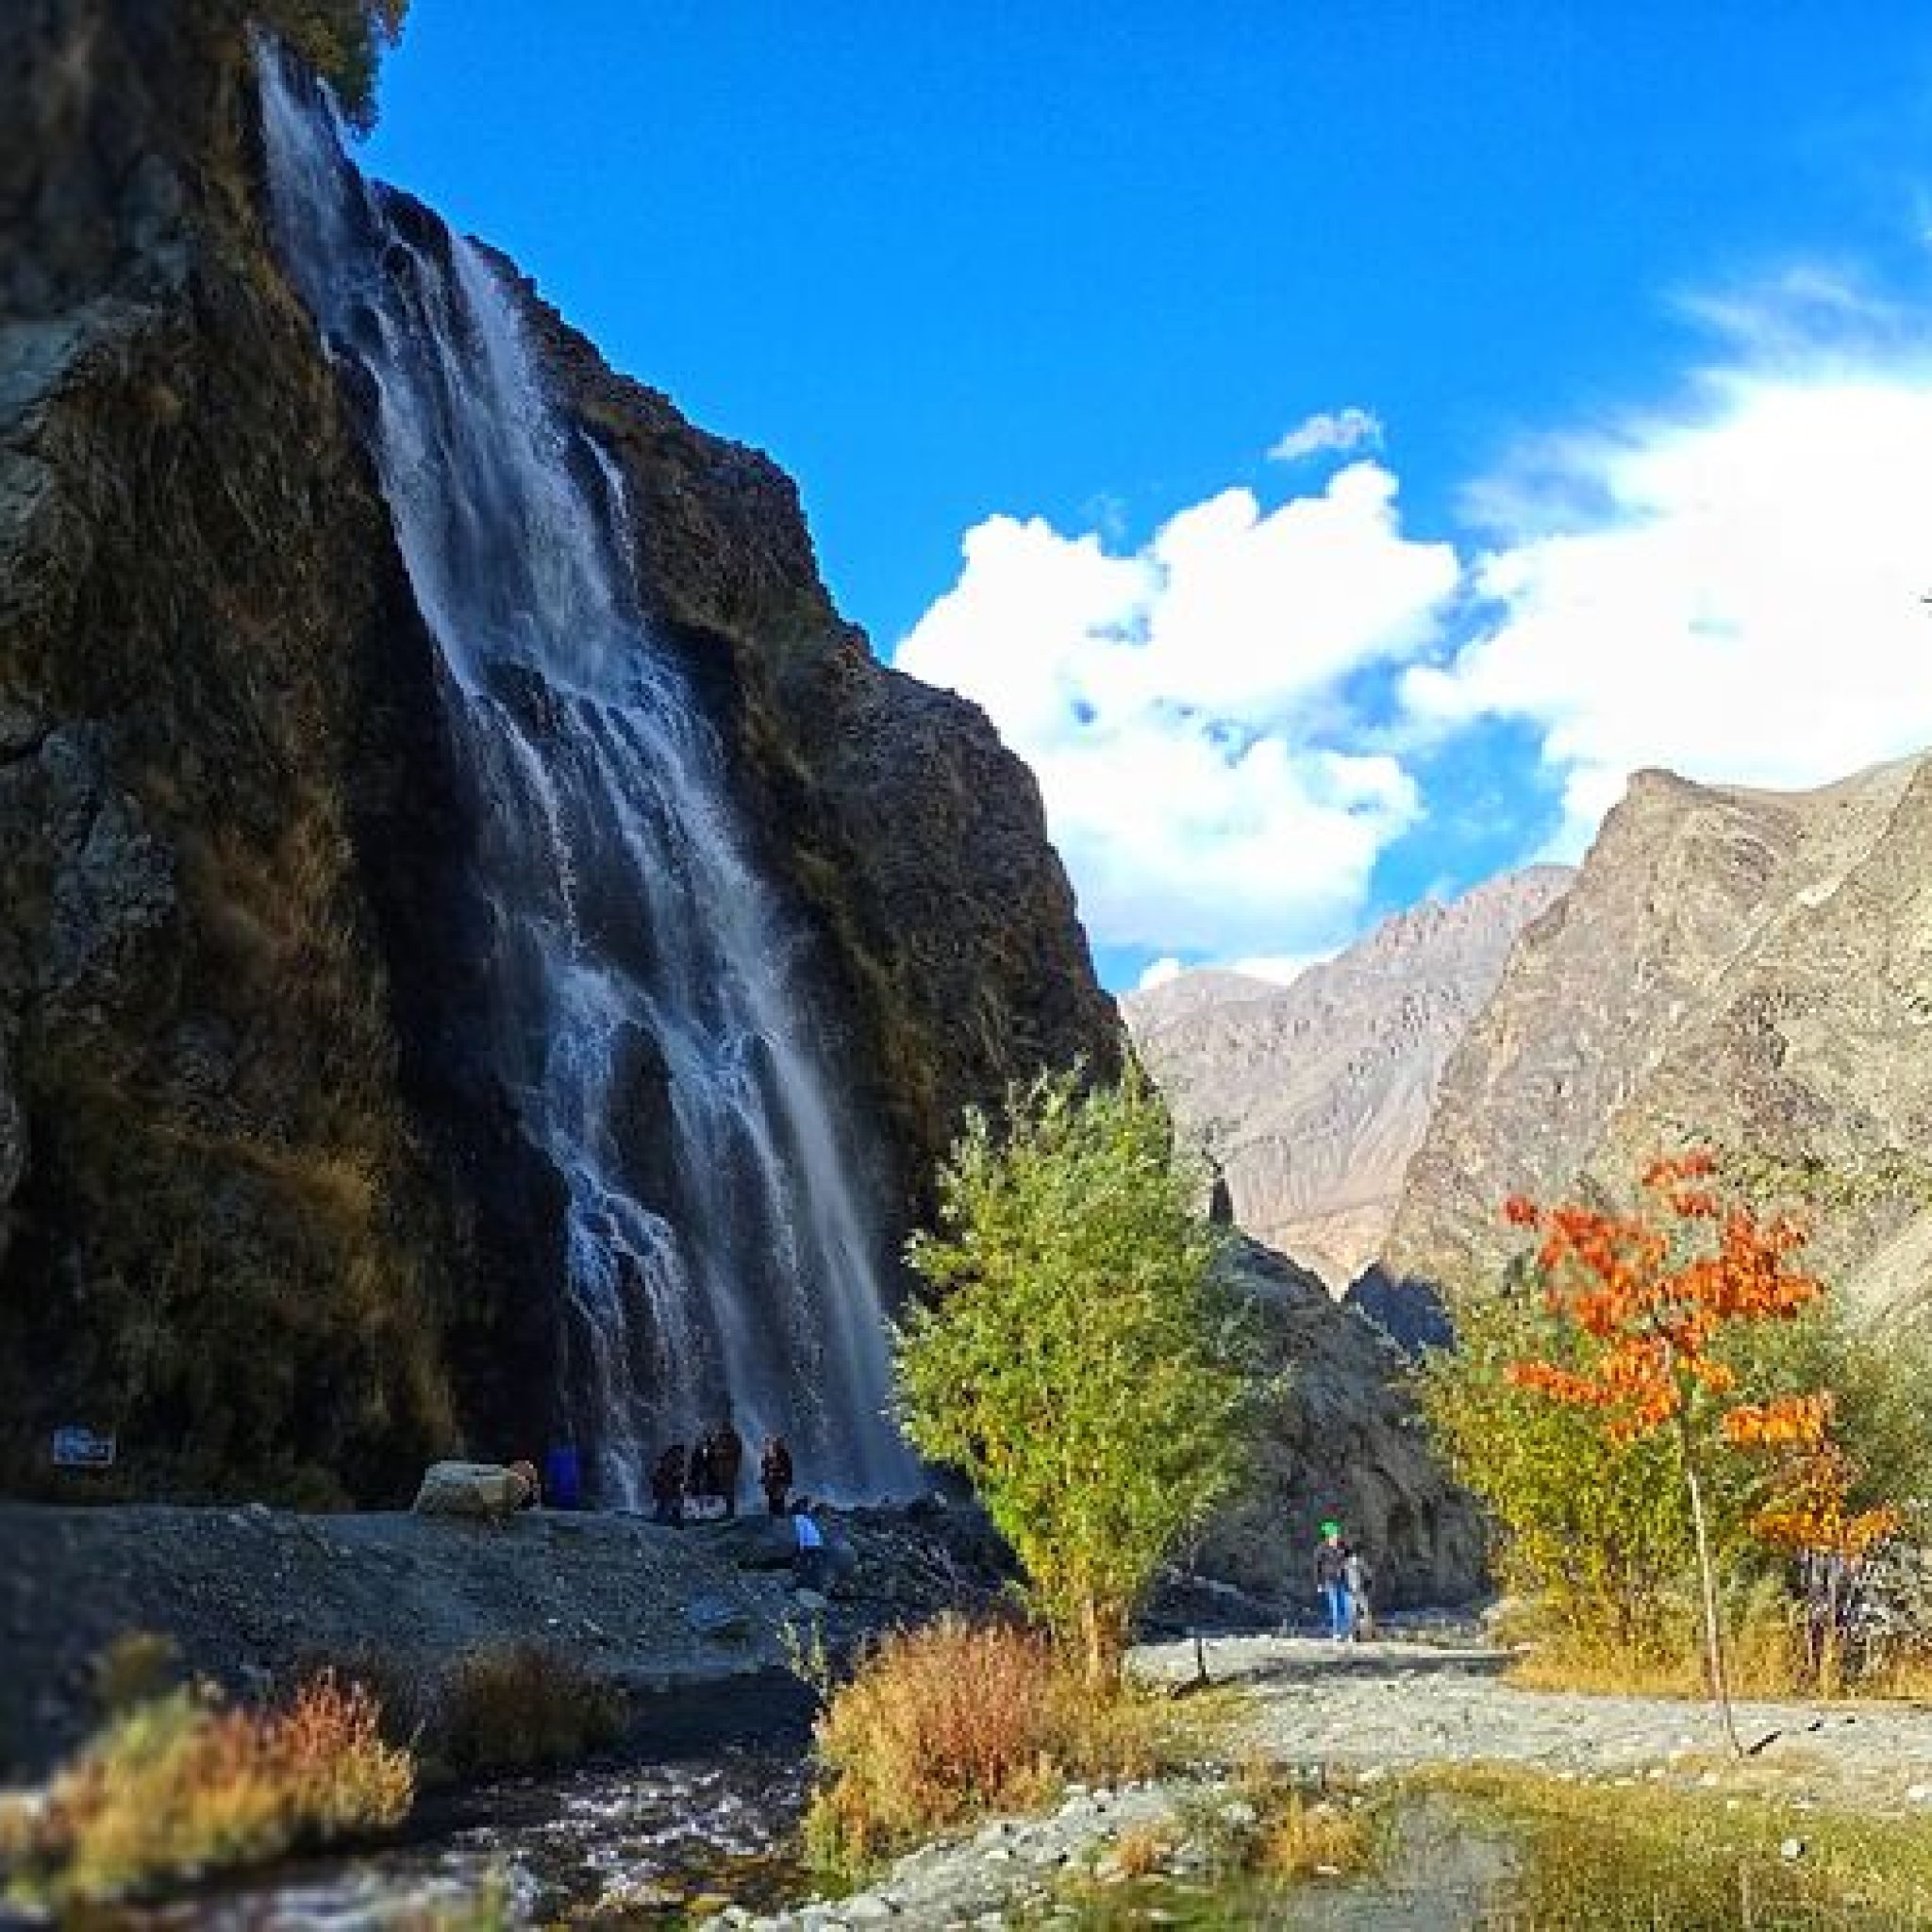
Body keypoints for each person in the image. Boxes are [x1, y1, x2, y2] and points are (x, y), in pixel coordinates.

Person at [1314, 1519, 1356, 1641]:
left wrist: (1351, 1559)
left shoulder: (1343, 1545)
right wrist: (1319, 1583)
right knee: (1335, 1608)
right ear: (1327, 1536)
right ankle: (1337, 1633)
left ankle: (1348, 1633)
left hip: (1344, 1580)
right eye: (1333, 1534)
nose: (1335, 1536)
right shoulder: (1321, 1549)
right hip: (1330, 1580)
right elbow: (1317, 1567)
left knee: (1347, 1607)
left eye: (1336, 1534)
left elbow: (1351, 1556)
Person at [791, 1495, 828, 1592]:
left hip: (809, 1545)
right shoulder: (807, 1518)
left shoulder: (797, 1518)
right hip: (817, 1543)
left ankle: (801, 1584)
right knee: (815, 1565)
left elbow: (801, 1533)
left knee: (802, 1564)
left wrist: (801, 1548)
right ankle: (817, 1586)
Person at [712, 1414, 744, 1520]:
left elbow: (735, 1452)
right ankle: (721, 1514)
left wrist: (720, 1452)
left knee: (729, 1493)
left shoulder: (734, 1439)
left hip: (729, 1471)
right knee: (720, 1493)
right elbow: (714, 1451)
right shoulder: (719, 1438)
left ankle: (730, 1514)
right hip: (719, 1471)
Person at [651, 1442, 687, 1526]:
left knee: (673, 1509)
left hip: (671, 1493)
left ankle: (671, 1521)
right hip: (666, 1492)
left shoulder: (678, 1463)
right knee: (664, 1510)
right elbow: (657, 1478)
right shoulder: (669, 1461)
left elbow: (680, 1480)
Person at [1343, 1544, 1374, 1641]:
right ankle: (1362, 1634)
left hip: (1355, 1590)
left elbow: (1368, 1575)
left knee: (1355, 1613)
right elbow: (1369, 1575)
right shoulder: (1353, 1562)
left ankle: (1357, 1634)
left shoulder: (1349, 1562)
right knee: (1362, 1612)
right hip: (1355, 1590)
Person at [760, 1435, 793, 1518]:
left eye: (778, 1444)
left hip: (780, 1482)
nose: (776, 1445)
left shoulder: (785, 1455)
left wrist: (787, 1481)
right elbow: (764, 1467)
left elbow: (788, 1470)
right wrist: (765, 1478)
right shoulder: (769, 1454)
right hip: (772, 1483)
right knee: (772, 1501)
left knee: (779, 1500)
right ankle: (773, 1516)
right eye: (775, 1444)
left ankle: (779, 1515)